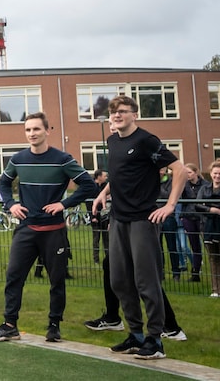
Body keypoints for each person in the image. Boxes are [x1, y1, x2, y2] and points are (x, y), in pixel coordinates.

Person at [91, 95, 187, 360]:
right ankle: (136, 335)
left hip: (143, 220)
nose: (117, 115)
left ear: (135, 114)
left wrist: (169, 205)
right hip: (118, 220)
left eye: (123, 111)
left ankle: (155, 340)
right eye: (113, 112)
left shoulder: (147, 141)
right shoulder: (112, 141)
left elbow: (178, 170)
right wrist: (104, 193)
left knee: (146, 281)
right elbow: (121, 172)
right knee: (119, 280)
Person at [0, 113, 97, 342]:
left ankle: (54, 326)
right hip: (26, 230)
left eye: (36, 129)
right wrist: (11, 204)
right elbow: (4, 183)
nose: (32, 134)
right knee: (13, 276)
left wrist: (63, 204)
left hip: (53, 231)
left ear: (47, 131)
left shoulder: (63, 159)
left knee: (56, 281)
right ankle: (9, 325)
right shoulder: (18, 159)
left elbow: (89, 185)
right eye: (28, 130)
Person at [193, 160, 220, 297]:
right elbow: (197, 204)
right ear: (211, 174)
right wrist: (211, 210)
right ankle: (216, 289)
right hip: (208, 227)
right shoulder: (205, 189)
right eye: (215, 173)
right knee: (213, 259)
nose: (217, 176)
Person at [180, 163, 204, 282]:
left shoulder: (205, 185)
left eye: (189, 172)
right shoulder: (185, 185)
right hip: (189, 217)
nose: (187, 175)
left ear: (195, 172)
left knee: (209, 244)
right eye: (186, 173)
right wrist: (182, 216)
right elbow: (182, 201)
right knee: (195, 246)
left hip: (202, 218)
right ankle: (195, 273)